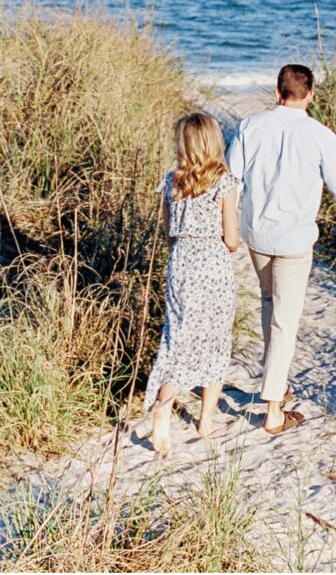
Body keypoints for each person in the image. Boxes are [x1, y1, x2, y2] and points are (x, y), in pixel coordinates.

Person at [227, 63, 336, 435]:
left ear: (277, 92)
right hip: (294, 239)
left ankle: (279, 384)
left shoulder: (251, 127)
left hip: (257, 235)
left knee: (270, 306)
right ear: (310, 94)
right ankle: (273, 411)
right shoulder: (320, 135)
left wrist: (231, 226)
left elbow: (230, 180)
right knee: (284, 320)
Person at [144, 111, 240, 456]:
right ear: (213, 141)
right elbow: (231, 240)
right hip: (212, 267)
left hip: (181, 266)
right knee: (216, 339)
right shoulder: (224, 182)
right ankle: (205, 420)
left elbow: (169, 233)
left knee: (177, 337)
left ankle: (163, 411)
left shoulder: (172, 180)